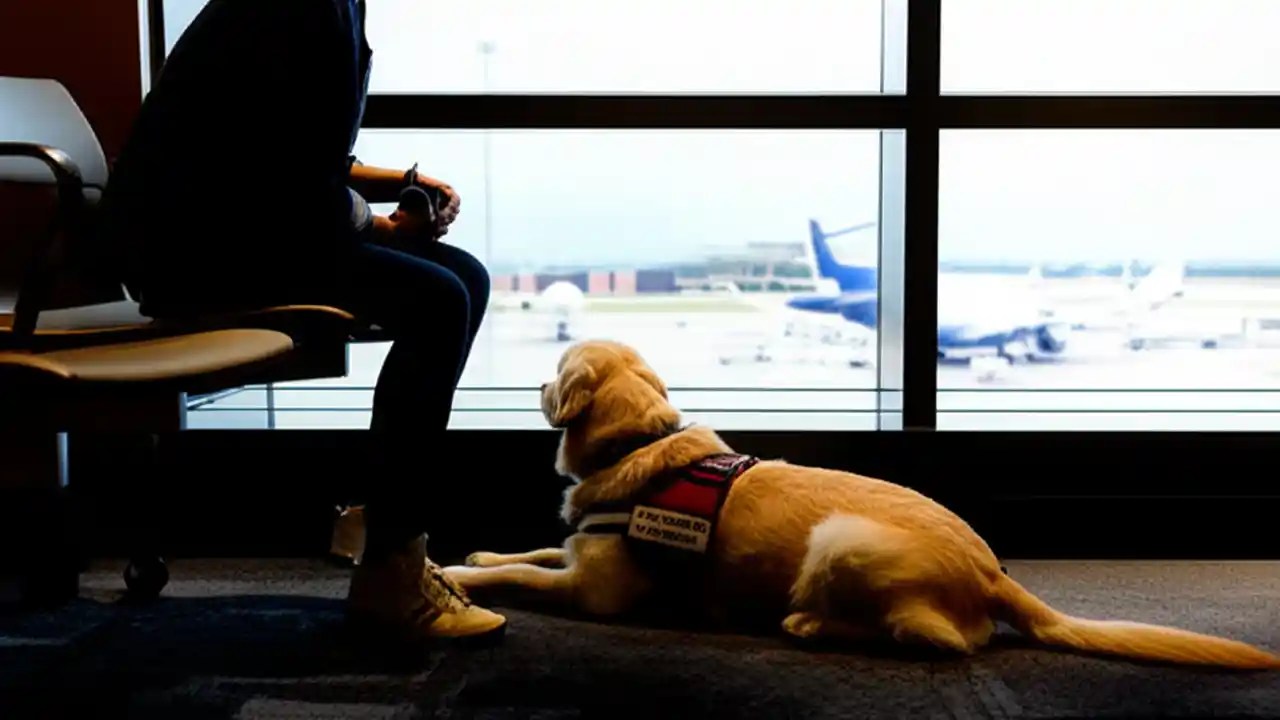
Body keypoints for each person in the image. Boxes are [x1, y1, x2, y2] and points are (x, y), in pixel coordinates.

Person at [96, 0, 506, 641]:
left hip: (243, 229)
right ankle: (391, 569)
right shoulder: (303, 10)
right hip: (196, 249)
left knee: (462, 278)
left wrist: (406, 182)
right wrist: (387, 223)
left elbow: (296, 157)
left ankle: (391, 539)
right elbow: (281, 184)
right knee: (439, 298)